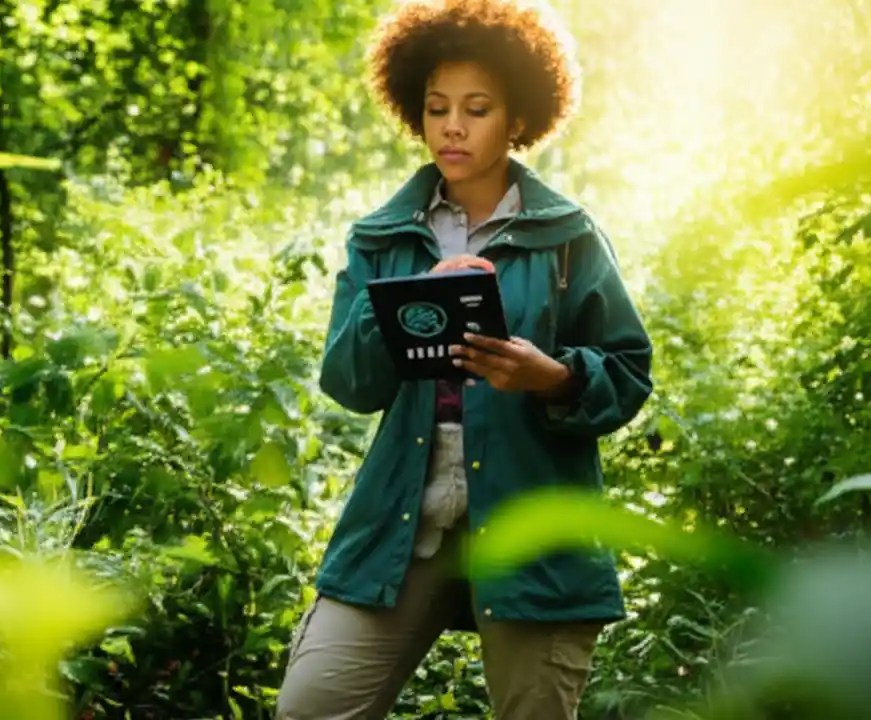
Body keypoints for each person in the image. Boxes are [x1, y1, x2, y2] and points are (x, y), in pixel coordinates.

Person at [276, 0, 653, 717]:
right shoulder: (382, 236)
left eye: (477, 109)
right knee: (308, 708)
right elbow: (348, 381)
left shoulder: (567, 236)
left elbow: (629, 371)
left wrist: (554, 377)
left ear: (518, 118)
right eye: (437, 107)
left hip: (531, 528)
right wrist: (410, 300)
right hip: (403, 521)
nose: (453, 125)